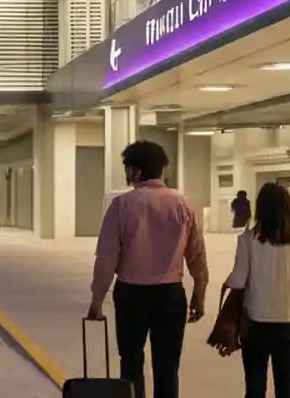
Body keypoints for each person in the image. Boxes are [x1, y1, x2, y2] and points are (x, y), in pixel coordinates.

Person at [88, 140, 209, 398]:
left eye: (127, 168)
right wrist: (200, 292)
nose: (126, 174)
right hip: (170, 295)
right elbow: (197, 255)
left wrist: (96, 301)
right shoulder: (183, 204)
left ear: (136, 171)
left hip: (131, 296)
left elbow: (107, 259)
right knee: (168, 368)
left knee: (130, 363)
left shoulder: (122, 206)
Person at [225, 183, 290, 398]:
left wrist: (229, 280)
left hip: (255, 327)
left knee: (254, 389)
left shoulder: (247, 240)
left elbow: (238, 281)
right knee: (288, 391)